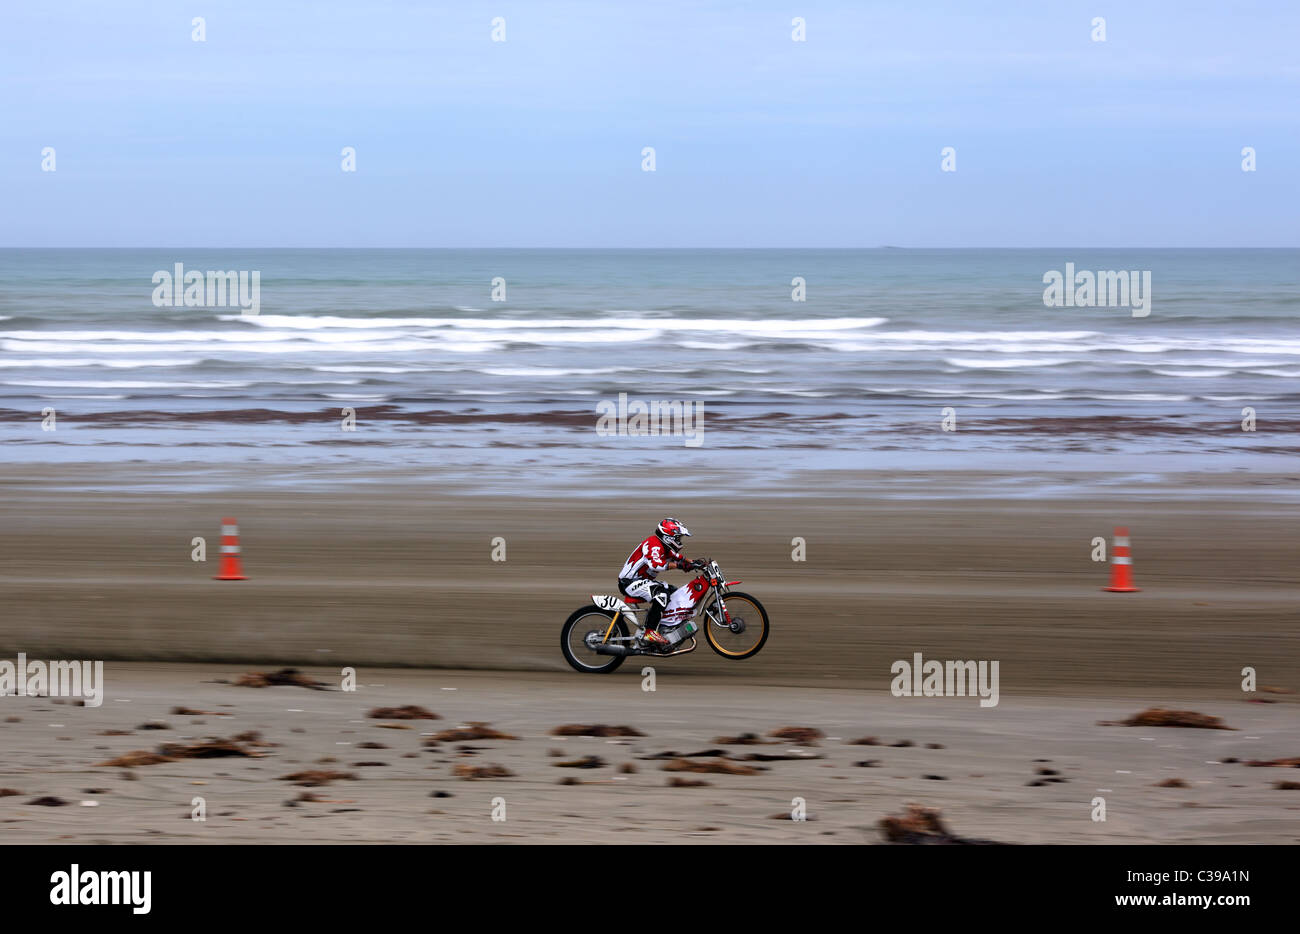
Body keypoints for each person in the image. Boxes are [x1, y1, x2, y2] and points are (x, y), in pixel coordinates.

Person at [616, 518, 703, 647]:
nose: (680, 541)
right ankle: (649, 632)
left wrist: (697, 564)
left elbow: (680, 558)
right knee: (661, 594)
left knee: (675, 592)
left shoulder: (664, 546)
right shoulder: (653, 544)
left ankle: (665, 626)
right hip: (629, 582)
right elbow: (656, 564)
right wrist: (679, 565)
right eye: (678, 538)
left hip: (642, 582)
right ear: (668, 537)